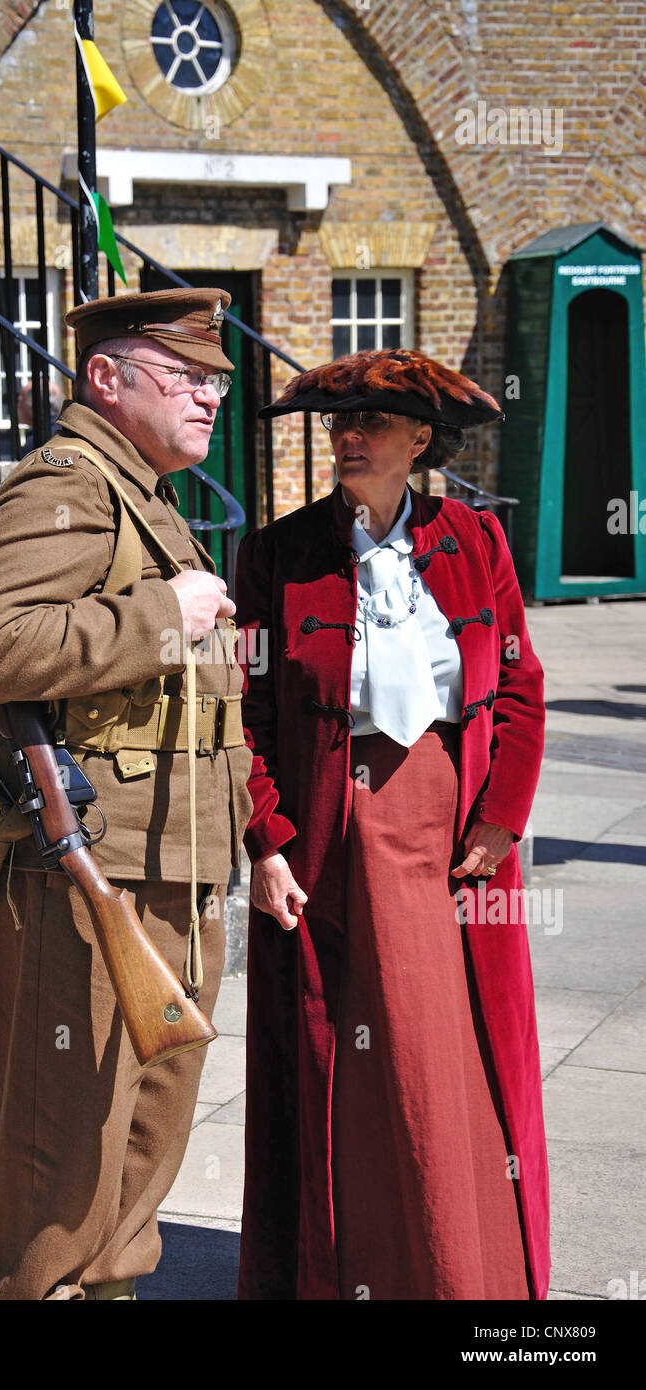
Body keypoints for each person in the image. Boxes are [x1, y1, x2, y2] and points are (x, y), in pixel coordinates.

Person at [0, 286, 252, 1300]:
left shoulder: (147, 498)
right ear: (105, 378)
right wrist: (161, 610)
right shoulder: (67, 486)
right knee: (59, 1159)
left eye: (216, 378)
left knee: (141, 1149)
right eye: (186, 376)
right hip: (85, 879)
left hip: (169, 871)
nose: (210, 396)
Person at [234, 348, 549, 1301]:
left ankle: (466, 1275)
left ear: (420, 441)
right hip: (334, 832)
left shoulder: (477, 543)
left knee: (454, 1052)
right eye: (338, 424)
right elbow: (238, 717)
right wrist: (266, 842)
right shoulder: (276, 555)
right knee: (360, 1049)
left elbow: (523, 689)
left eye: (371, 424)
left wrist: (500, 821)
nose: (348, 438)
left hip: (455, 835)